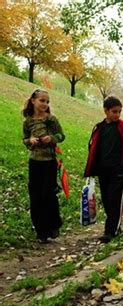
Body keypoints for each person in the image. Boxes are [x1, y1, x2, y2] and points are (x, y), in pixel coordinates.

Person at [84, 95, 123, 243]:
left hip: (117, 170)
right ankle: (114, 227)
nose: (117, 115)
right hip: (103, 169)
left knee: (115, 199)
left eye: (119, 111)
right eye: (114, 111)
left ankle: (111, 230)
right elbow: (93, 146)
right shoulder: (99, 128)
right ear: (106, 111)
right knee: (107, 200)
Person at [22, 88, 65, 243]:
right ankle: (41, 231)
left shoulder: (51, 119)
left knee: (48, 194)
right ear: (33, 101)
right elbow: (25, 139)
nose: (45, 104)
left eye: (47, 101)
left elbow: (61, 136)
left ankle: (53, 225)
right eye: (42, 100)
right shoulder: (28, 121)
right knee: (36, 196)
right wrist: (30, 141)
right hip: (35, 162)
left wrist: (51, 139)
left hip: (49, 162)